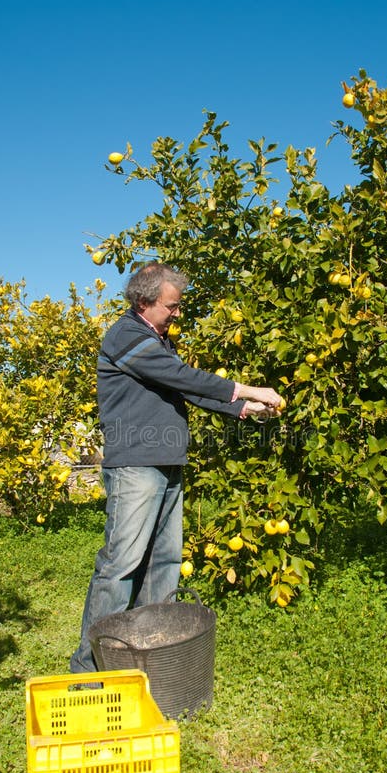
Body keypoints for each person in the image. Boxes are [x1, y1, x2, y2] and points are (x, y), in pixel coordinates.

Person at [70, 262, 283, 673]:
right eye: (172, 306)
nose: (178, 313)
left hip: (166, 464)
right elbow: (180, 375)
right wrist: (248, 387)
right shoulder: (127, 336)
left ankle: (149, 661)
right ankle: (90, 669)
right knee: (120, 567)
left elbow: (183, 386)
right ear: (145, 302)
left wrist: (242, 408)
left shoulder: (156, 339)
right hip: (136, 466)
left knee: (164, 564)